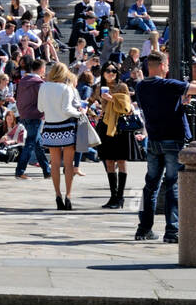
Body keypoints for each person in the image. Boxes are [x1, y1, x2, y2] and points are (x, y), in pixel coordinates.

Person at [133, 51, 196, 242]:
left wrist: (179, 100)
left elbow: (159, 104)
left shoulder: (141, 86)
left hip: (154, 139)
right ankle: (172, 231)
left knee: (151, 185)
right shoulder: (168, 84)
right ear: (163, 66)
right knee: (173, 184)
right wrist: (191, 86)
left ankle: (144, 228)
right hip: (173, 138)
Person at [38, 62, 85, 210]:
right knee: (69, 163)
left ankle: (58, 194)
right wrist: (80, 113)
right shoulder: (66, 88)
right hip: (66, 126)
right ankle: (68, 195)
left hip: (50, 126)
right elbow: (67, 109)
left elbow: (40, 108)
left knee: (55, 163)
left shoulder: (43, 87)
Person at [93, 66, 141, 208]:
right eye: (108, 71)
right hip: (106, 126)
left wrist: (112, 99)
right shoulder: (99, 87)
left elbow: (127, 106)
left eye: (114, 71)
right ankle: (113, 197)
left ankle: (120, 197)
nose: (111, 73)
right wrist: (96, 114)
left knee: (120, 161)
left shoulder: (122, 86)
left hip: (120, 126)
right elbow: (90, 102)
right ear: (103, 73)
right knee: (108, 161)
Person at [13, 56, 52, 180]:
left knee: (37, 144)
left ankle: (47, 171)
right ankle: (20, 171)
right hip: (35, 115)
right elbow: (44, 100)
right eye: (44, 68)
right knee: (30, 143)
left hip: (24, 114)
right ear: (41, 69)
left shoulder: (23, 81)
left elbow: (17, 98)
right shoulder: (39, 83)